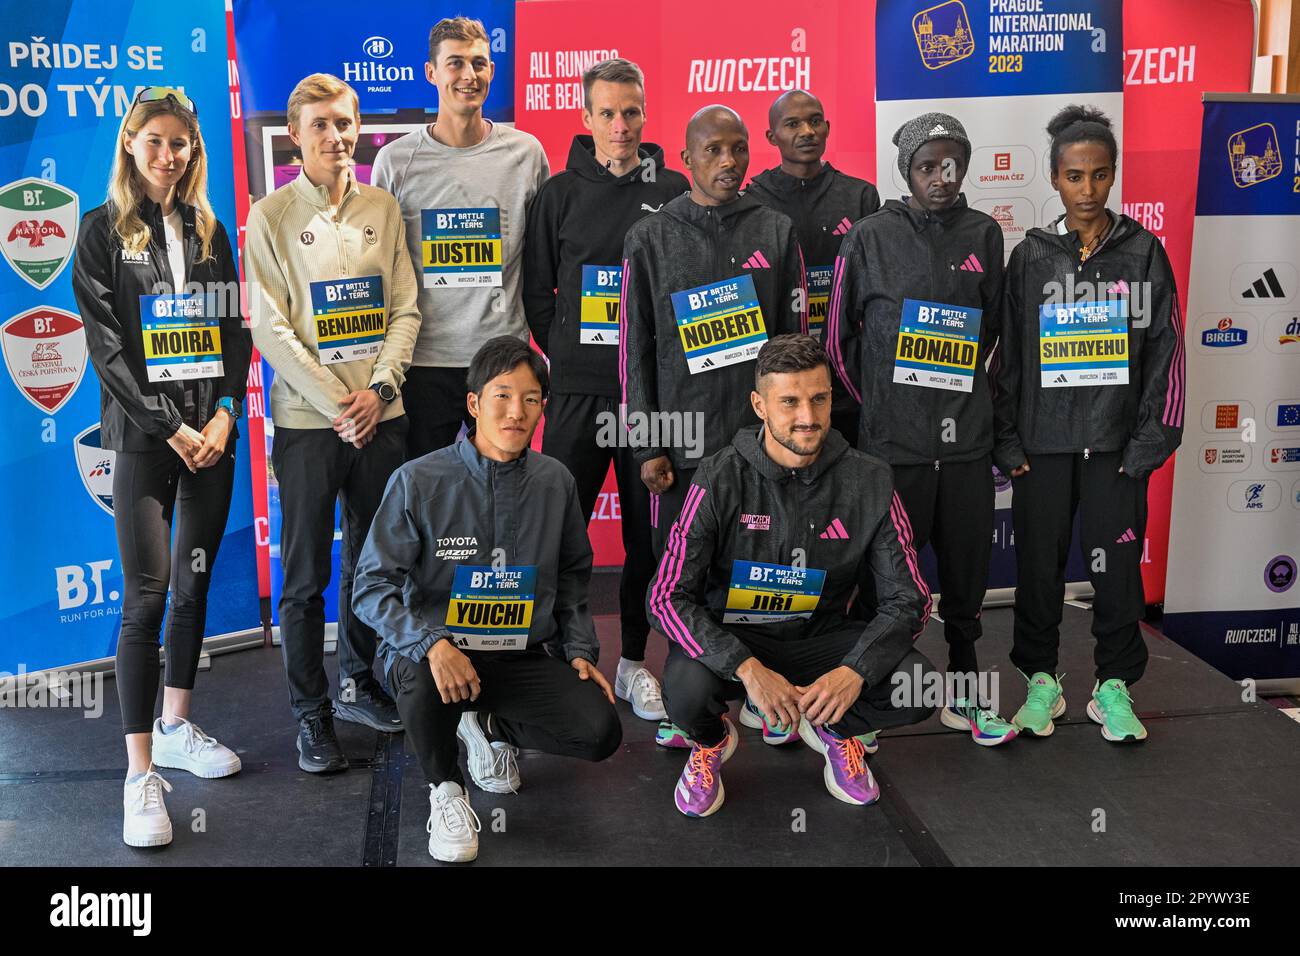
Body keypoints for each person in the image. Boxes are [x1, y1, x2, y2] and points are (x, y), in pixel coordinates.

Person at [353, 336, 622, 862]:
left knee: (600, 732)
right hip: (436, 657)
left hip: (519, 657)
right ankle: (447, 790)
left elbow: (572, 576)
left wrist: (580, 652)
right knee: (417, 673)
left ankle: (488, 723)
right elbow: (371, 588)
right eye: (501, 396)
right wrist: (430, 643)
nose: (515, 412)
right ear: (474, 403)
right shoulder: (418, 480)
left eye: (530, 399)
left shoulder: (556, 482)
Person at [647, 334, 934, 816]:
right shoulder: (717, 477)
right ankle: (712, 741)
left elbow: (909, 599)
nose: (808, 416)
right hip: (738, 639)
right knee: (684, 690)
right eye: (789, 401)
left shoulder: (870, 479)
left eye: (819, 398)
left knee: (921, 684)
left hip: (823, 638)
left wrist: (853, 672)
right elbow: (665, 597)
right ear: (759, 405)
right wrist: (747, 668)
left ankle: (835, 728)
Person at [73, 87, 251, 846]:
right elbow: (106, 349)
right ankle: (139, 775)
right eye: (155, 141)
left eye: (181, 142)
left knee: (194, 584)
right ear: (130, 143)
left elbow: (234, 328)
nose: (168, 154)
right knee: (145, 600)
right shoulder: (100, 231)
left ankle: (177, 725)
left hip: (211, 437)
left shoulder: (209, 229)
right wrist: (170, 427)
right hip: (149, 441)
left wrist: (223, 414)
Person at [244, 74, 421, 772]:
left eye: (344, 124)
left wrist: (378, 391)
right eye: (319, 125)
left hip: (384, 415)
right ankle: (311, 715)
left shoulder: (383, 205)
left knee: (374, 567)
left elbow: (405, 310)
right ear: (295, 135)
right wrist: (336, 406)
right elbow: (270, 328)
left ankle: (358, 681)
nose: (335, 137)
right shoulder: (271, 216)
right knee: (306, 576)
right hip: (310, 426)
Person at [993, 105, 1184, 743]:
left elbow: (1165, 353)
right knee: (1039, 570)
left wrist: (1146, 446)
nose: (1087, 189)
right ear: (1054, 179)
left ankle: (1112, 687)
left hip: (1114, 449)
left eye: (1100, 175)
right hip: (1041, 448)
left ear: (1113, 175)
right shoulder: (1031, 257)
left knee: (1117, 573)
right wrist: (1007, 442)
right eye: (1074, 176)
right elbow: (1007, 354)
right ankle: (1041, 684)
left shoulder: (1142, 253)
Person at [826, 112, 1016, 746]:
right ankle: (864, 703)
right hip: (890, 450)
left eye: (954, 164)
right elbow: (838, 340)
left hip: (964, 448)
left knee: (965, 584)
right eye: (930, 164)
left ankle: (965, 693)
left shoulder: (985, 235)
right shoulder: (869, 237)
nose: (944, 176)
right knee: (880, 585)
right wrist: (879, 407)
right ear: (906, 169)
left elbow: (995, 335)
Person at [523, 58, 689, 722]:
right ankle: (562, 660)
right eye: (608, 113)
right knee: (560, 532)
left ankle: (632, 665)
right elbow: (537, 292)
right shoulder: (557, 194)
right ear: (586, 119)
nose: (621, 125)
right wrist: (568, 355)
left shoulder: (674, 187)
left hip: (649, 401)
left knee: (650, 540)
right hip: (577, 396)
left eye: (632, 112)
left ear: (645, 115)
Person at [621, 105, 806, 562]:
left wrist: (792, 435)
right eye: (714, 150)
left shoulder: (776, 229)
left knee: (756, 576)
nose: (729, 161)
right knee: (682, 579)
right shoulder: (650, 238)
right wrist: (648, 446)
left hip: (761, 448)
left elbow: (795, 350)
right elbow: (634, 353)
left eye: (739, 149)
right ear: (687, 158)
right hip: (683, 449)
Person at [373, 16, 550, 458]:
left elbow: (544, 258)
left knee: (502, 488)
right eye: (456, 64)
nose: (469, 76)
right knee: (424, 493)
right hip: (422, 364)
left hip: (501, 360)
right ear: (431, 73)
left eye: (479, 63)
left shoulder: (526, 154)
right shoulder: (394, 162)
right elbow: (380, 267)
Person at [746, 89, 879, 441]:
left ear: (827, 128)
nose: (806, 131)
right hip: (781, 379)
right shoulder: (752, 201)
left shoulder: (861, 196)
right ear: (771, 137)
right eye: (793, 124)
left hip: (848, 375)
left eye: (814, 121)